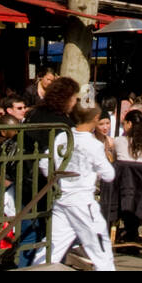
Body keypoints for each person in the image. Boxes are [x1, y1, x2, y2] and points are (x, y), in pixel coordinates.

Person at [31, 103, 117, 270]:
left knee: (52, 247)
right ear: (95, 119)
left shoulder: (63, 137)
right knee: (100, 251)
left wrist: (57, 181)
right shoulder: (93, 145)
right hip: (83, 202)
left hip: (63, 198)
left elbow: (44, 164)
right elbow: (109, 174)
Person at [17, 76, 81, 267]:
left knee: (28, 234)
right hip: (48, 186)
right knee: (53, 238)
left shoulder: (34, 114)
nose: (76, 102)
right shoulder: (63, 124)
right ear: (66, 98)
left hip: (27, 180)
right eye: (74, 98)